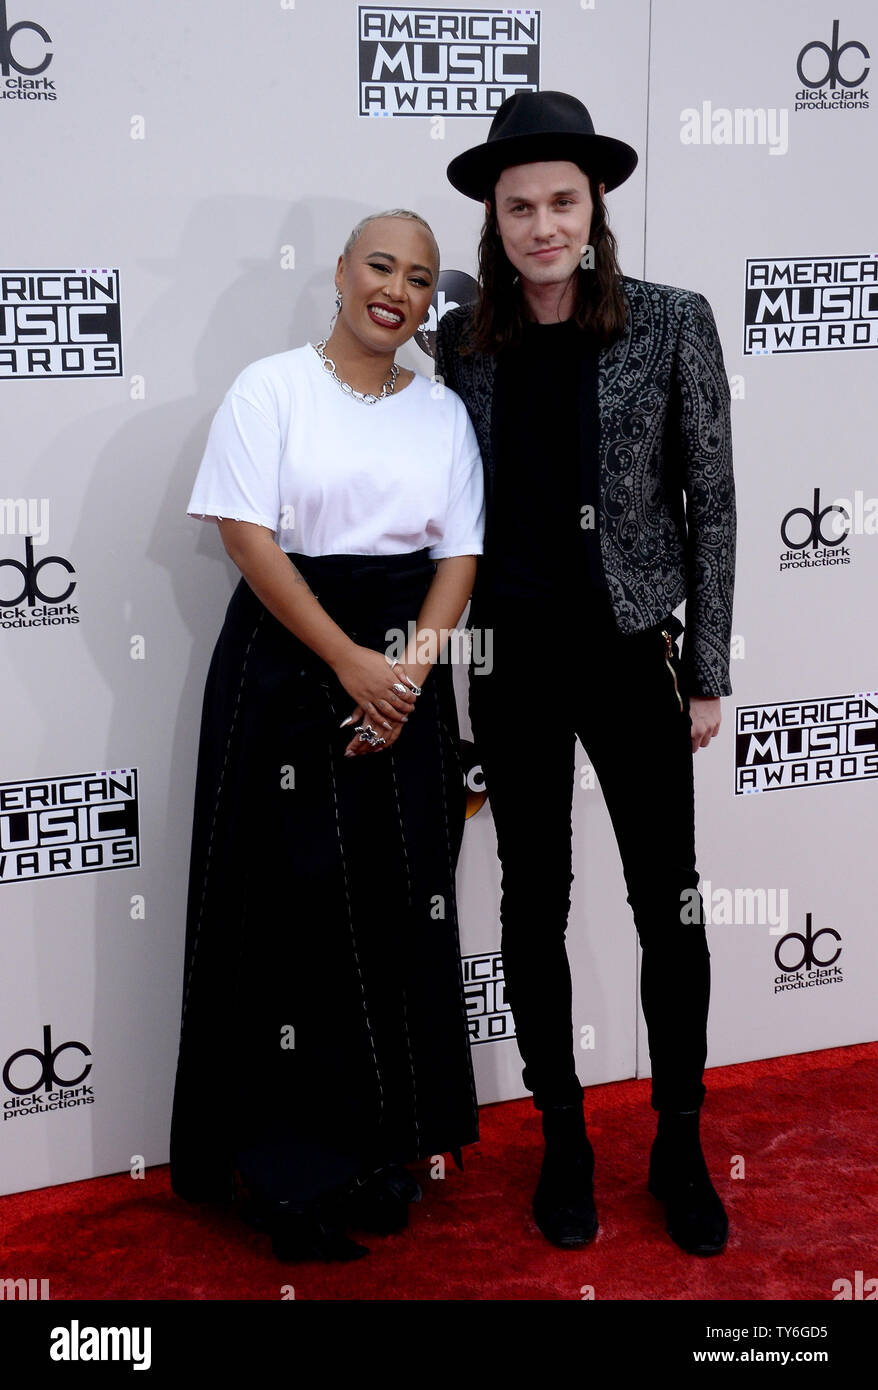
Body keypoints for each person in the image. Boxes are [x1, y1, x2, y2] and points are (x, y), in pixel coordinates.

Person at [435, 91, 736, 1256]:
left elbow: (707, 498)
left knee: (670, 900)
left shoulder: (669, 321)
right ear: (494, 221)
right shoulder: (461, 346)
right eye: (520, 206)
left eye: (562, 200)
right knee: (529, 899)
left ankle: (676, 1136)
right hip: (509, 658)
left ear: (593, 205)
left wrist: (703, 667)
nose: (541, 224)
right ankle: (563, 1136)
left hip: (627, 654)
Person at [169, 209, 485, 1262]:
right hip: (286, 667)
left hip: (405, 673)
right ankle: (278, 1168)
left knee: (396, 909)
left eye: (419, 276)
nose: (394, 288)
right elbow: (245, 535)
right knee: (286, 917)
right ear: (342, 274)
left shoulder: (440, 409)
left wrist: (408, 674)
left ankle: (376, 1145)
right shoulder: (271, 387)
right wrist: (349, 661)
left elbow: (459, 556)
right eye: (379, 265)